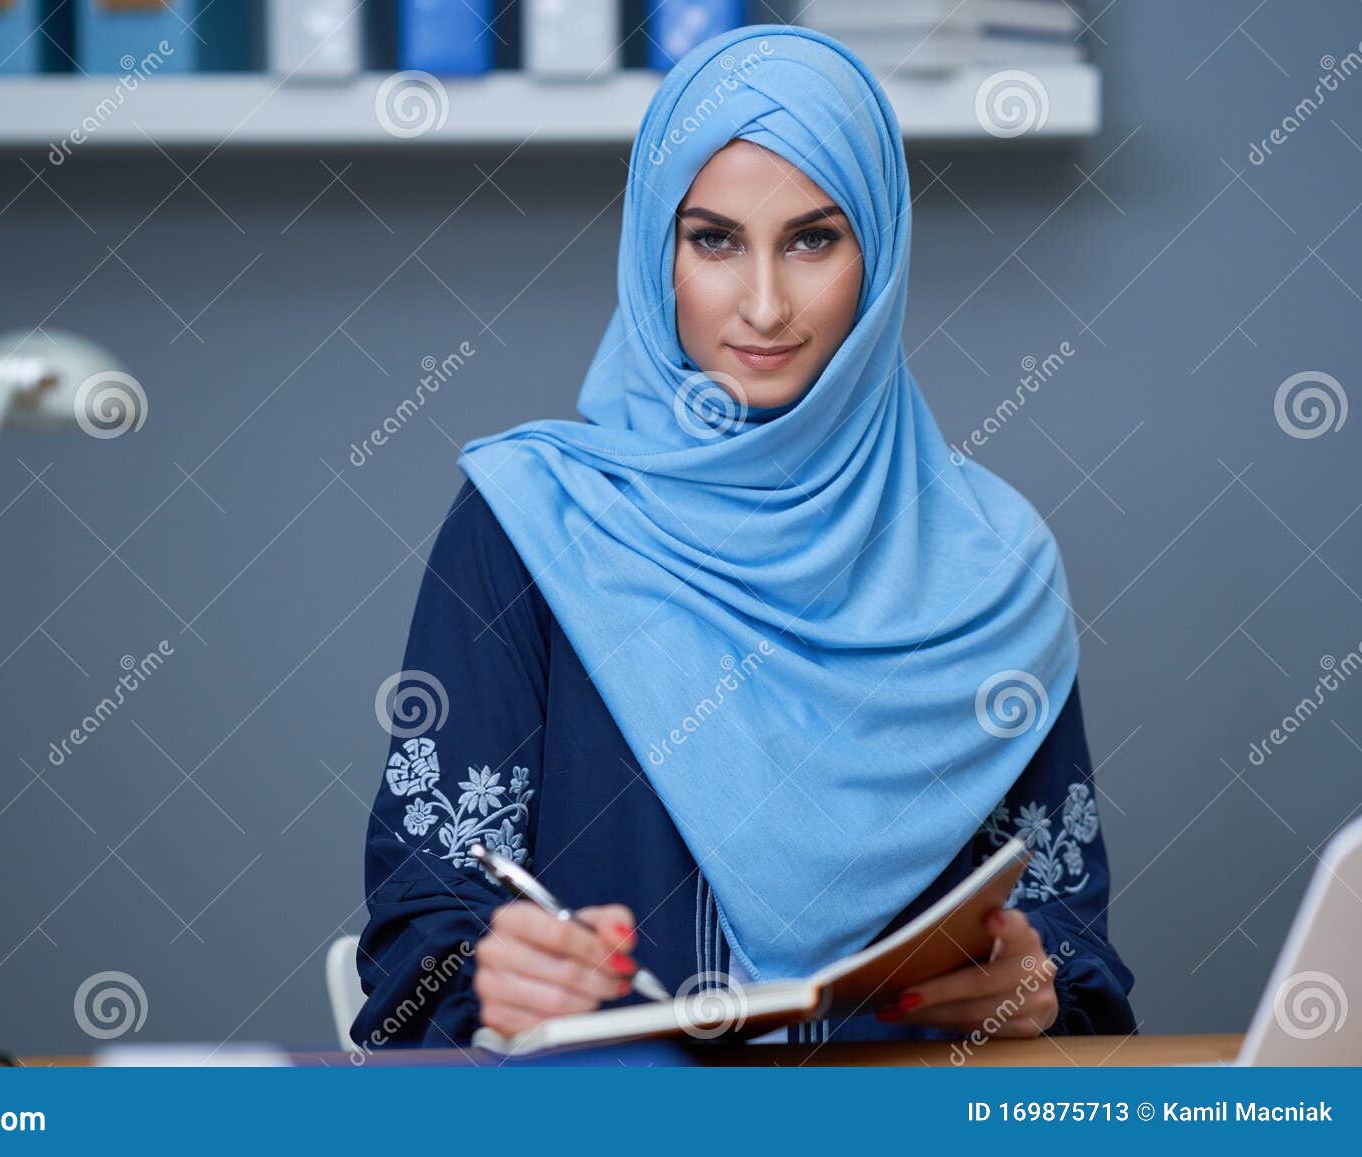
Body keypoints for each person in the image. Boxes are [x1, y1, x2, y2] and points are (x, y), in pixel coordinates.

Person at [351, 24, 1136, 1052]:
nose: (763, 306)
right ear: (654, 253)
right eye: (714, 240)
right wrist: (494, 974)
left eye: (812, 238)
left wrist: (1035, 986)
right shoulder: (530, 523)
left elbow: (1072, 939)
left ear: (881, 255)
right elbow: (417, 932)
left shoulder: (990, 564)